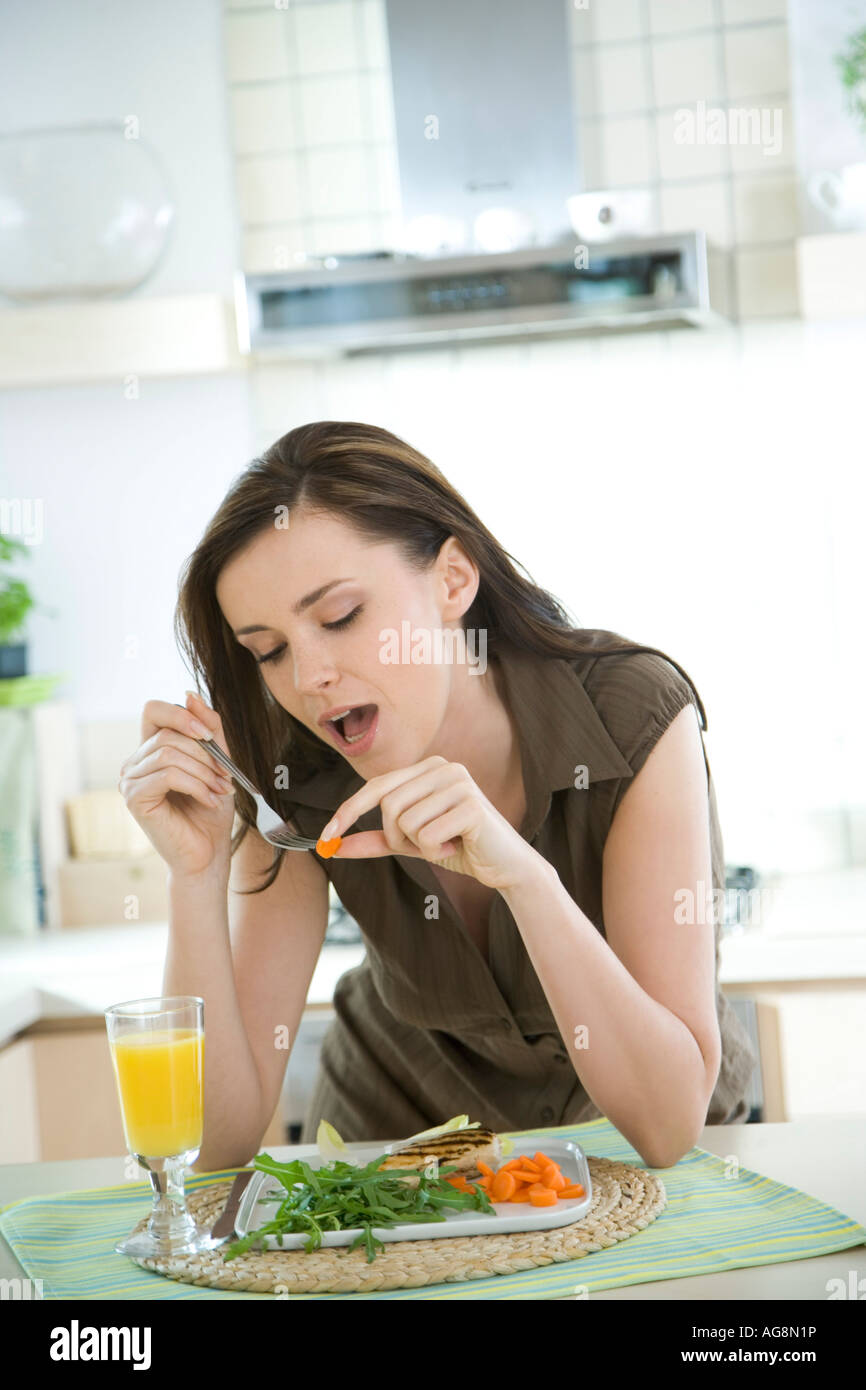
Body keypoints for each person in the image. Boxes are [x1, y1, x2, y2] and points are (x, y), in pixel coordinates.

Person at [119, 420, 756, 1173]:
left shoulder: (629, 714)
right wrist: (195, 876)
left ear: (453, 580)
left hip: (624, 1153)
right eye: (270, 650)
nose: (307, 676)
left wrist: (522, 876)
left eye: (340, 617)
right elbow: (215, 1148)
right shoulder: (294, 779)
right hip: (392, 1152)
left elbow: (666, 1125)